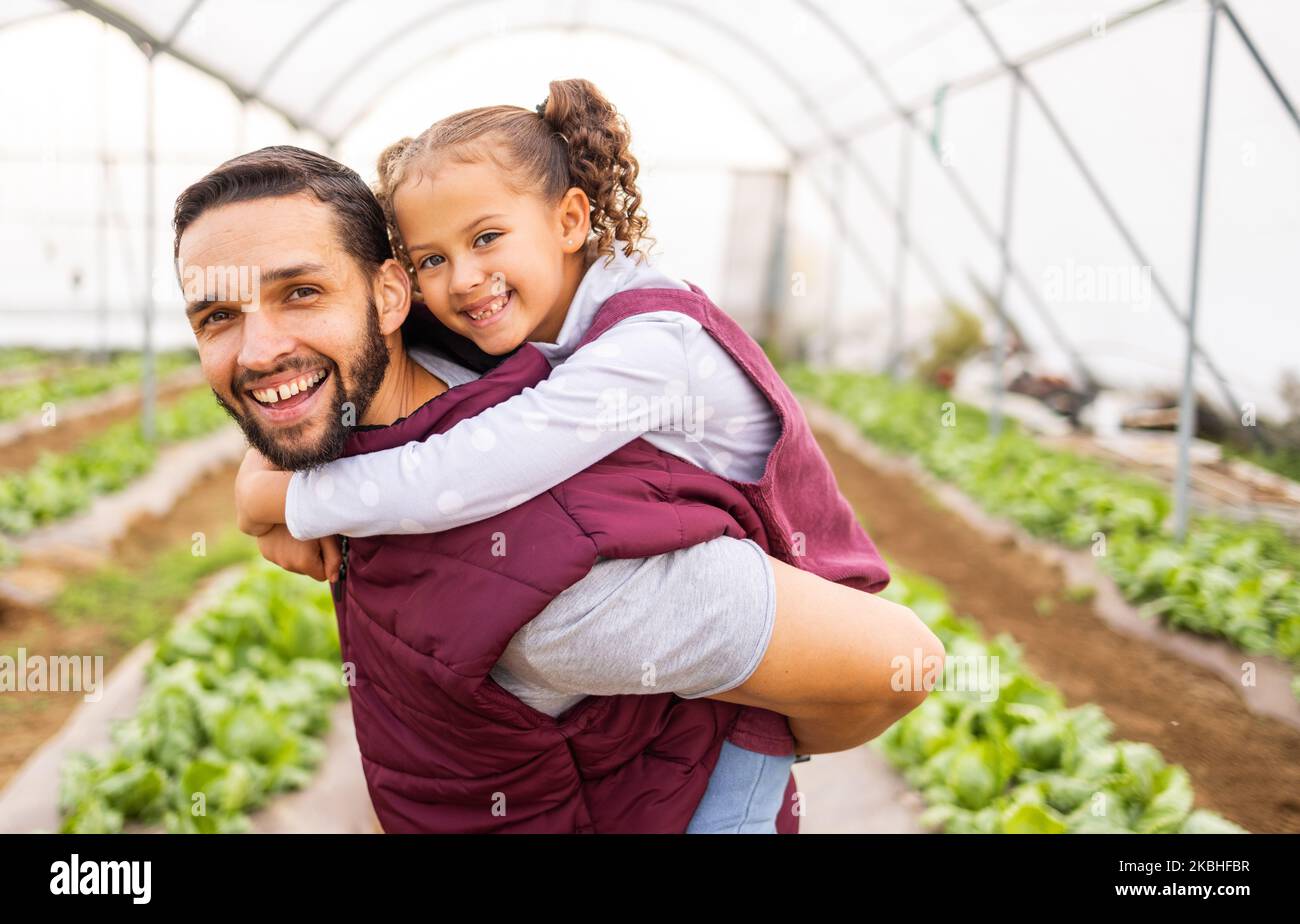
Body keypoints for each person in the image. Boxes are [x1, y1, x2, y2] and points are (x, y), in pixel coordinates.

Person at [178, 143, 944, 833]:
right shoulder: (462, 351)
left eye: (300, 293)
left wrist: (756, 734)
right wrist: (266, 486)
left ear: (387, 298)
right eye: (217, 315)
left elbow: (897, 662)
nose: (260, 350)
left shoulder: (563, 584)